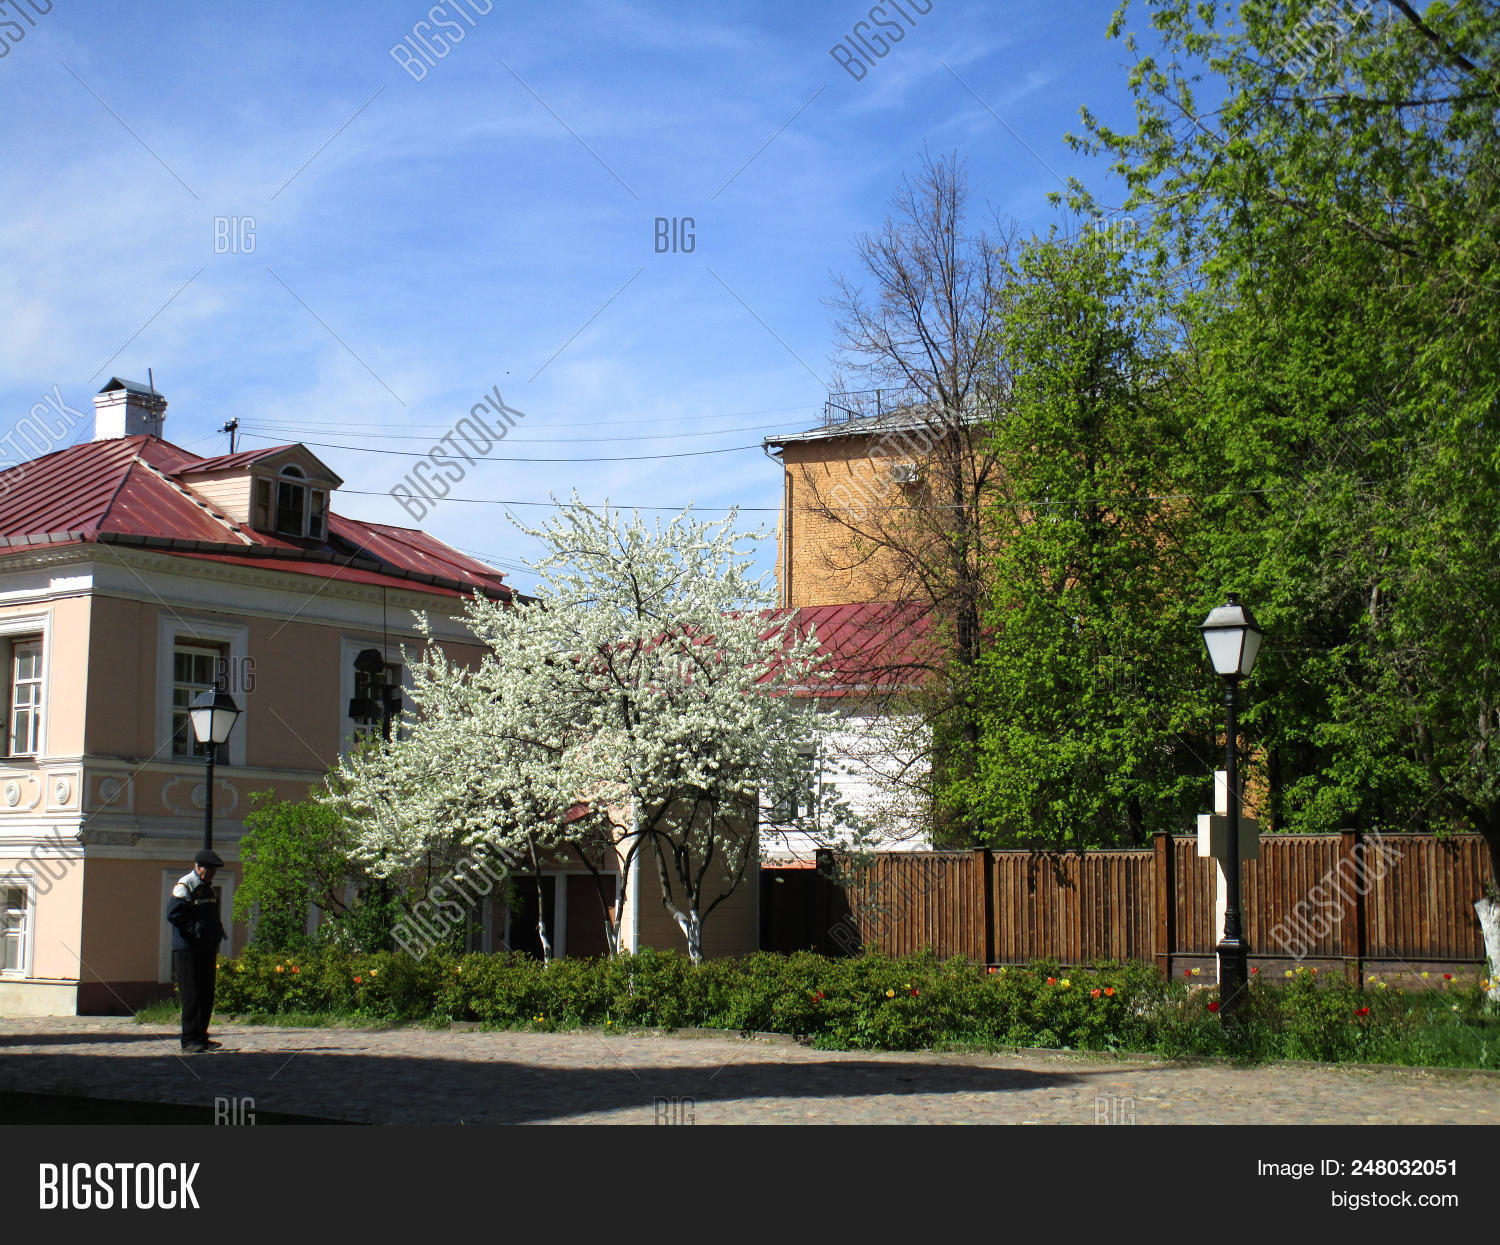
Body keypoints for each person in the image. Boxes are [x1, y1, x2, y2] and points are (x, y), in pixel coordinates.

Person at [167, 848, 227, 1053]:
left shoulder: (207, 888)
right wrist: (196, 931)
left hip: (205, 948)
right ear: (197, 867)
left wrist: (216, 932)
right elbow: (174, 914)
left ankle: (201, 1036)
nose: (212, 873)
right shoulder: (185, 886)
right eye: (209, 869)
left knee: (206, 993)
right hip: (187, 950)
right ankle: (190, 1039)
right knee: (192, 995)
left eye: (214, 870)